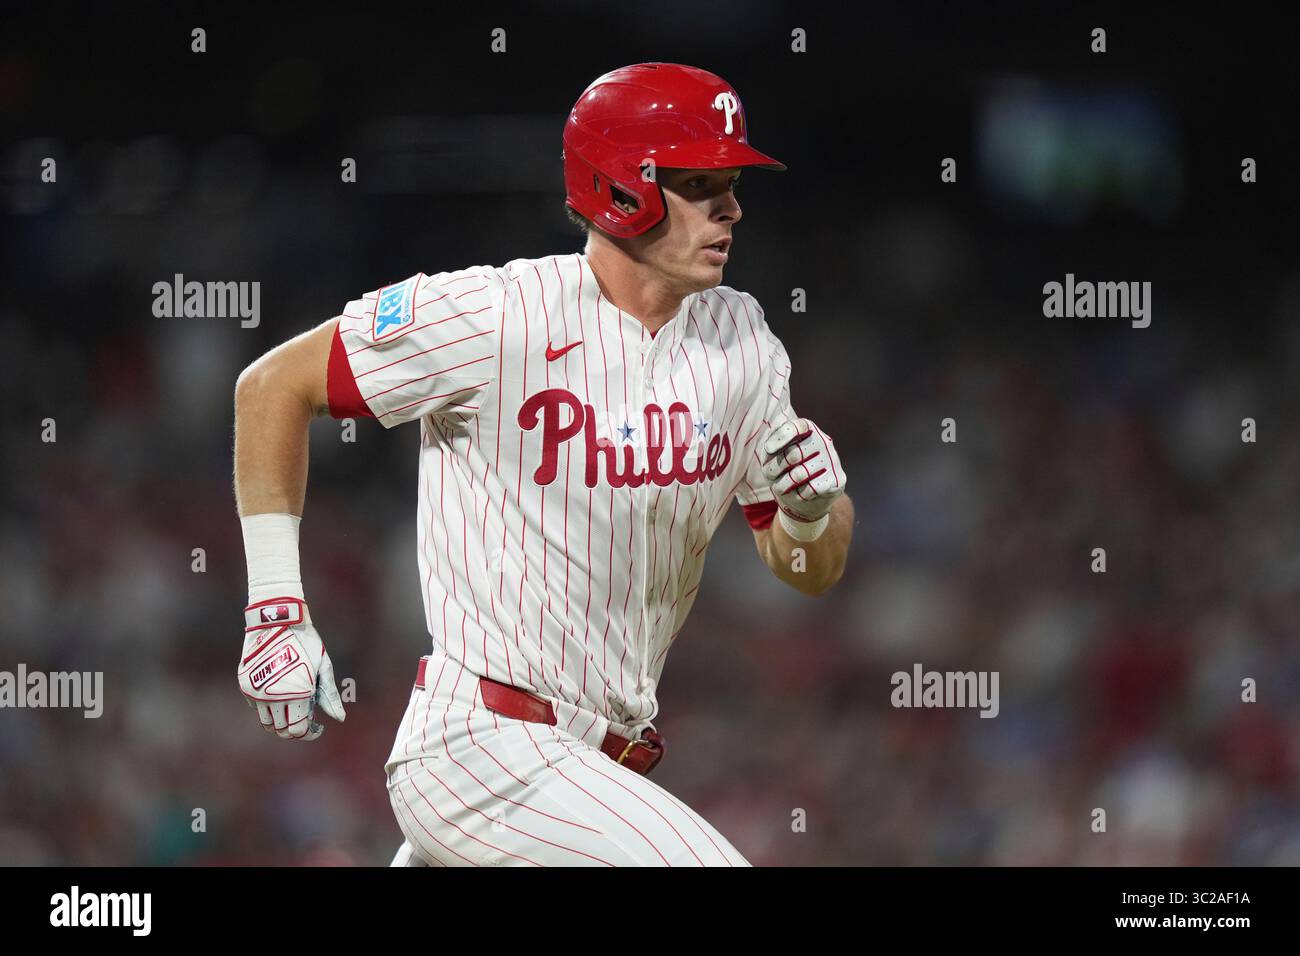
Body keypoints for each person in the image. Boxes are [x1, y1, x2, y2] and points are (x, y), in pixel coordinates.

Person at [232, 62, 853, 866]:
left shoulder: (742, 341)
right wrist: (275, 608)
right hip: (480, 747)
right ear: (622, 189)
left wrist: (810, 512)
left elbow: (809, 569)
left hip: (587, 766)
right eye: (701, 182)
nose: (731, 206)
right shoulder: (497, 314)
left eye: (731, 182)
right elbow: (274, 386)